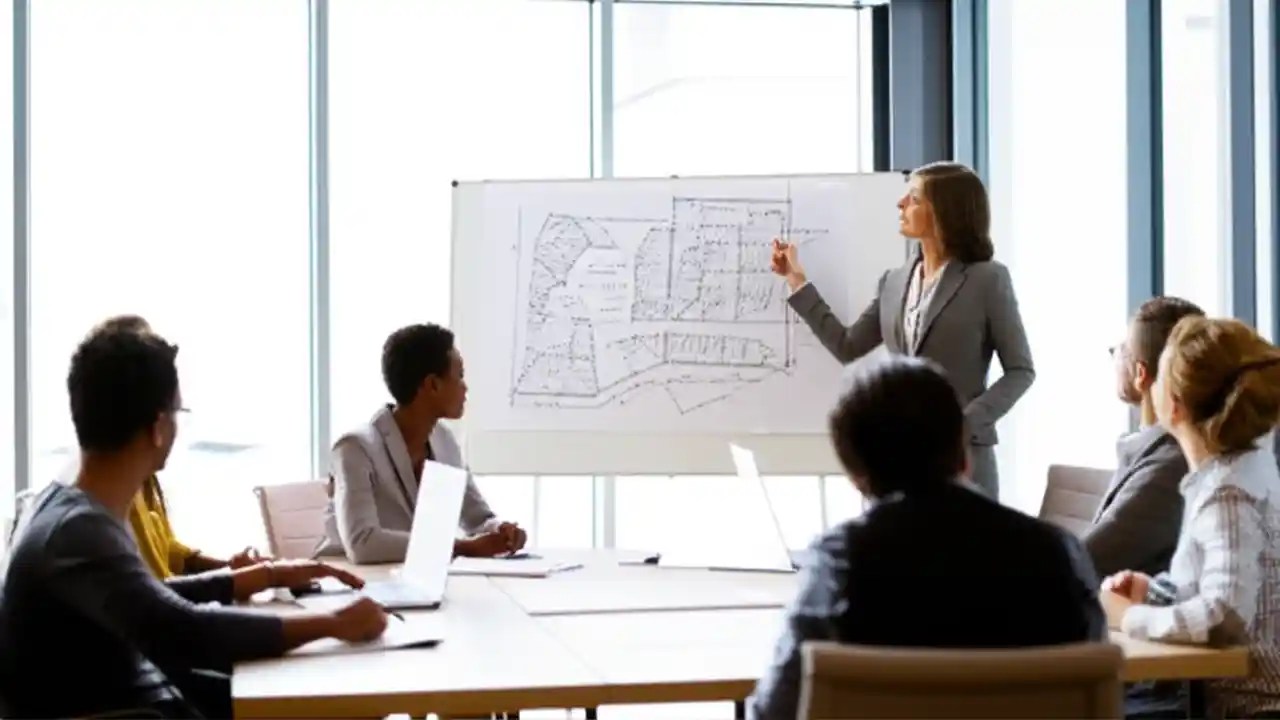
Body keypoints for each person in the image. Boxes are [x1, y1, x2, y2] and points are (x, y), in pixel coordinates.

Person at [0, 325, 388, 719]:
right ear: (157, 427)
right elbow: (184, 631)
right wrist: (334, 623)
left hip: (151, 697)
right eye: (178, 412)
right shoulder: (77, 530)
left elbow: (151, 599)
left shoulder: (62, 507)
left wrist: (263, 575)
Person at [746, 356, 1104, 720]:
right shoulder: (1058, 556)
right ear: (964, 453)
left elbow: (775, 711)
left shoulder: (839, 564)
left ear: (855, 473)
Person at [771, 162, 1033, 499]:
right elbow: (848, 346)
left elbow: (1021, 371)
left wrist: (962, 424)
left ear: (943, 209)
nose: (900, 204)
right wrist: (796, 281)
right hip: (897, 463)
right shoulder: (894, 281)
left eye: (913, 197)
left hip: (964, 460)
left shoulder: (988, 279)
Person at [1104, 316, 1280, 719]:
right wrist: (1154, 591)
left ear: (1175, 404)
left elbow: (1224, 616)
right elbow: (1228, 583)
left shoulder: (1228, 492)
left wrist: (1131, 617)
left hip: (1250, 710)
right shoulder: (1243, 468)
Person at [319, 323, 527, 564]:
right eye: (459, 376)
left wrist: (500, 530)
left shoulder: (445, 440)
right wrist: (460, 548)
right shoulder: (355, 447)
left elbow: (477, 517)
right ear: (432, 385)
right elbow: (363, 543)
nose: (465, 387)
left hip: (412, 580)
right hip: (350, 585)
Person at [92, 314, 270, 579]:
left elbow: (169, 553)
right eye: (175, 412)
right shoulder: (111, 497)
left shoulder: (144, 478)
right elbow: (156, 598)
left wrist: (231, 570)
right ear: (157, 422)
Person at [1083, 296, 1205, 580]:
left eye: (1123, 348)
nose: (1114, 353)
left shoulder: (1171, 465)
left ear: (1141, 373)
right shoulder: (1158, 449)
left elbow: (1085, 561)